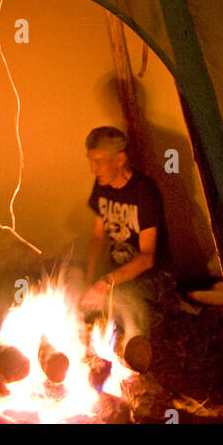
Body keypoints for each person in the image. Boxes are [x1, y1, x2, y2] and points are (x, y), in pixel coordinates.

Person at [78, 127, 175, 361]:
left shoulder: (144, 191)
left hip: (153, 276)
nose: (93, 169)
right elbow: (98, 237)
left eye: (99, 162)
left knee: (120, 299)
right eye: (91, 161)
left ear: (120, 159)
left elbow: (147, 257)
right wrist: (88, 280)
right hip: (117, 275)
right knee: (76, 280)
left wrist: (105, 284)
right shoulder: (102, 184)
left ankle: (137, 342)